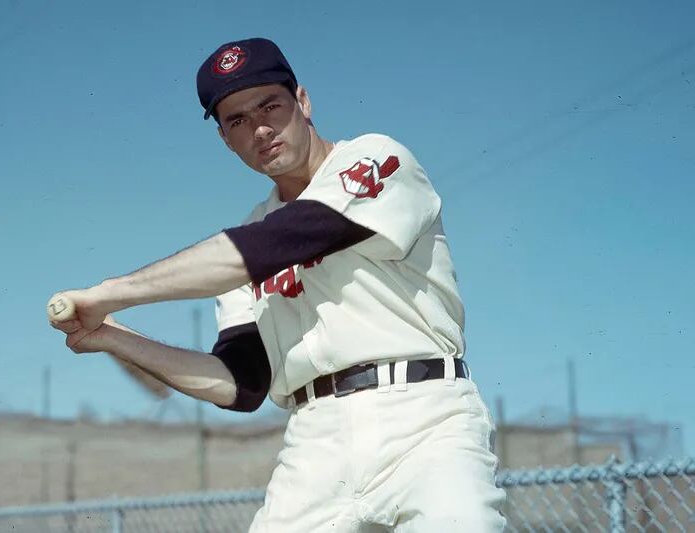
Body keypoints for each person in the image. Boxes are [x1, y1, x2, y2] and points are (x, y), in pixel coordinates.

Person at [49, 37, 506, 532]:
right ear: (225, 138)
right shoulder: (241, 252)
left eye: (270, 105)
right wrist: (112, 335)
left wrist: (108, 292)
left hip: (424, 420)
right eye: (238, 120)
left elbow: (287, 239)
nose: (260, 128)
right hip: (315, 440)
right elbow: (240, 384)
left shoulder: (374, 158)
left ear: (303, 102)